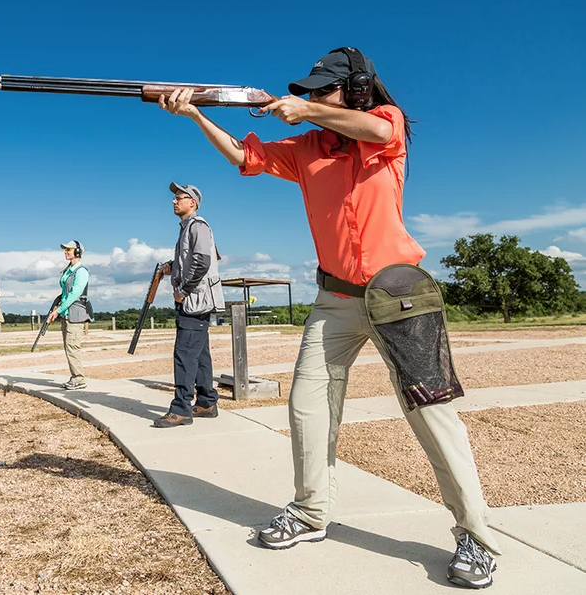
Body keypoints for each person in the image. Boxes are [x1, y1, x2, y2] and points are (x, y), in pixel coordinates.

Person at [159, 48, 499, 589]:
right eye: (310, 92)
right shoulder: (306, 146)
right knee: (306, 407)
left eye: (324, 90)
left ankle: (475, 536)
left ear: (358, 90)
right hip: (333, 298)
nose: (314, 97)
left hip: (399, 294)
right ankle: (312, 512)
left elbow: (370, 127)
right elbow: (244, 158)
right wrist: (197, 114)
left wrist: (305, 109)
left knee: (434, 418)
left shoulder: (384, 125)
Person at [153, 182, 225, 428]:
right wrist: (170, 267)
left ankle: (181, 409)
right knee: (200, 354)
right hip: (196, 301)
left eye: (179, 197)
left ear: (191, 203)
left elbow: (202, 261)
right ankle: (206, 402)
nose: (174, 201)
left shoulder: (198, 226)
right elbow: (188, 259)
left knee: (184, 355)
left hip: (193, 301)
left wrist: (182, 291)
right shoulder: (187, 229)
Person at [47, 240, 93, 390]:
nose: (66, 251)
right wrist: (57, 305)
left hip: (76, 314)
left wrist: (57, 311)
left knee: (73, 347)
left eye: (69, 249)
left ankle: (79, 379)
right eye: (65, 249)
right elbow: (65, 294)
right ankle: (75, 376)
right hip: (67, 313)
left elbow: (74, 295)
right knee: (69, 347)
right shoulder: (69, 270)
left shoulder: (81, 271)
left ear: (77, 252)